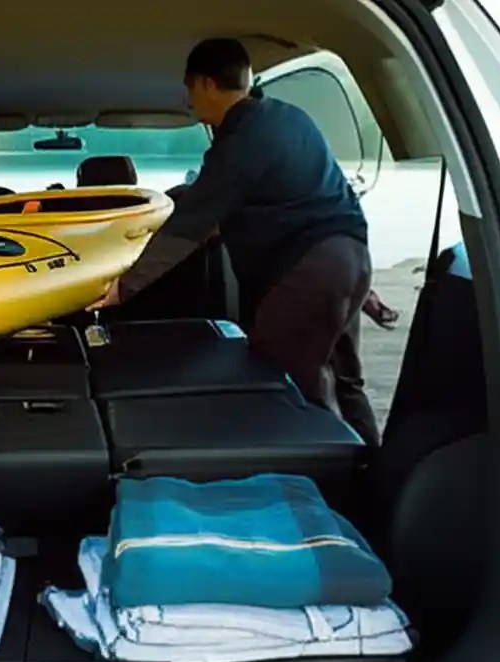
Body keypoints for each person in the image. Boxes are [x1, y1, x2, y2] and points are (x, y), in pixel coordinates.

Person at [87, 37, 380, 447]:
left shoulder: (239, 141)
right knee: (345, 380)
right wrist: (362, 288)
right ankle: (372, 463)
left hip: (308, 273)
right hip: (350, 259)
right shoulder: (291, 118)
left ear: (207, 84)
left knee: (289, 384)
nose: (191, 102)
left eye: (190, 90)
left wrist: (122, 288)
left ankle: (327, 472)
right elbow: (318, 201)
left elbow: (189, 226)